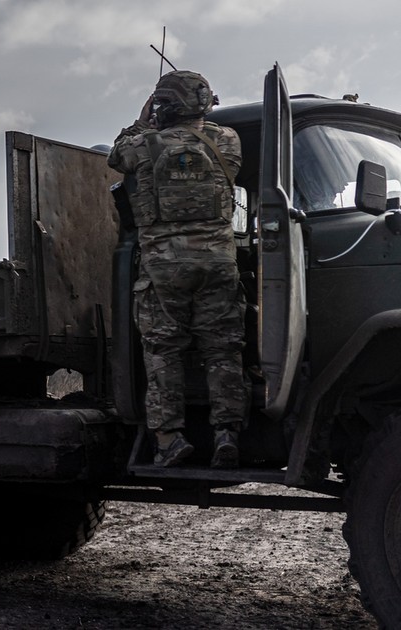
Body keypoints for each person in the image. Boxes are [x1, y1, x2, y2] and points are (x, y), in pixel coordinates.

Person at [106, 70, 246, 468]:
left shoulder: (144, 146)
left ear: (164, 106)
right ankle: (226, 434)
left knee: (163, 352)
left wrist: (141, 120)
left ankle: (169, 439)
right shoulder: (228, 141)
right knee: (223, 350)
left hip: (164, 268)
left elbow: (116, 154)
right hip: (218, 263)